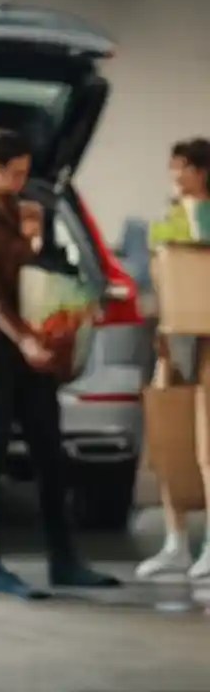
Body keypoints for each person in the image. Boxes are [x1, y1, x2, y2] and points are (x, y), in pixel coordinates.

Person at [0, 127, 120, 598]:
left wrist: (34, 239)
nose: (23, 181)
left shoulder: (14, 207)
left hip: (28, 339)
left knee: (51, 450)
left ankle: (64, 560)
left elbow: (27, 274)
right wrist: (24, 340)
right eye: (17, 173)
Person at [136, 136, 210, 581]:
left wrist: (194, 214)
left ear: (202, 171)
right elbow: (160, 248)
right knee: (168, 437)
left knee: (208, 445)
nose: (174, 175)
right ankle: (176, 541)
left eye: (181, 166)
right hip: (175, 336)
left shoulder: (197, 215)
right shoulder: (170, 217)